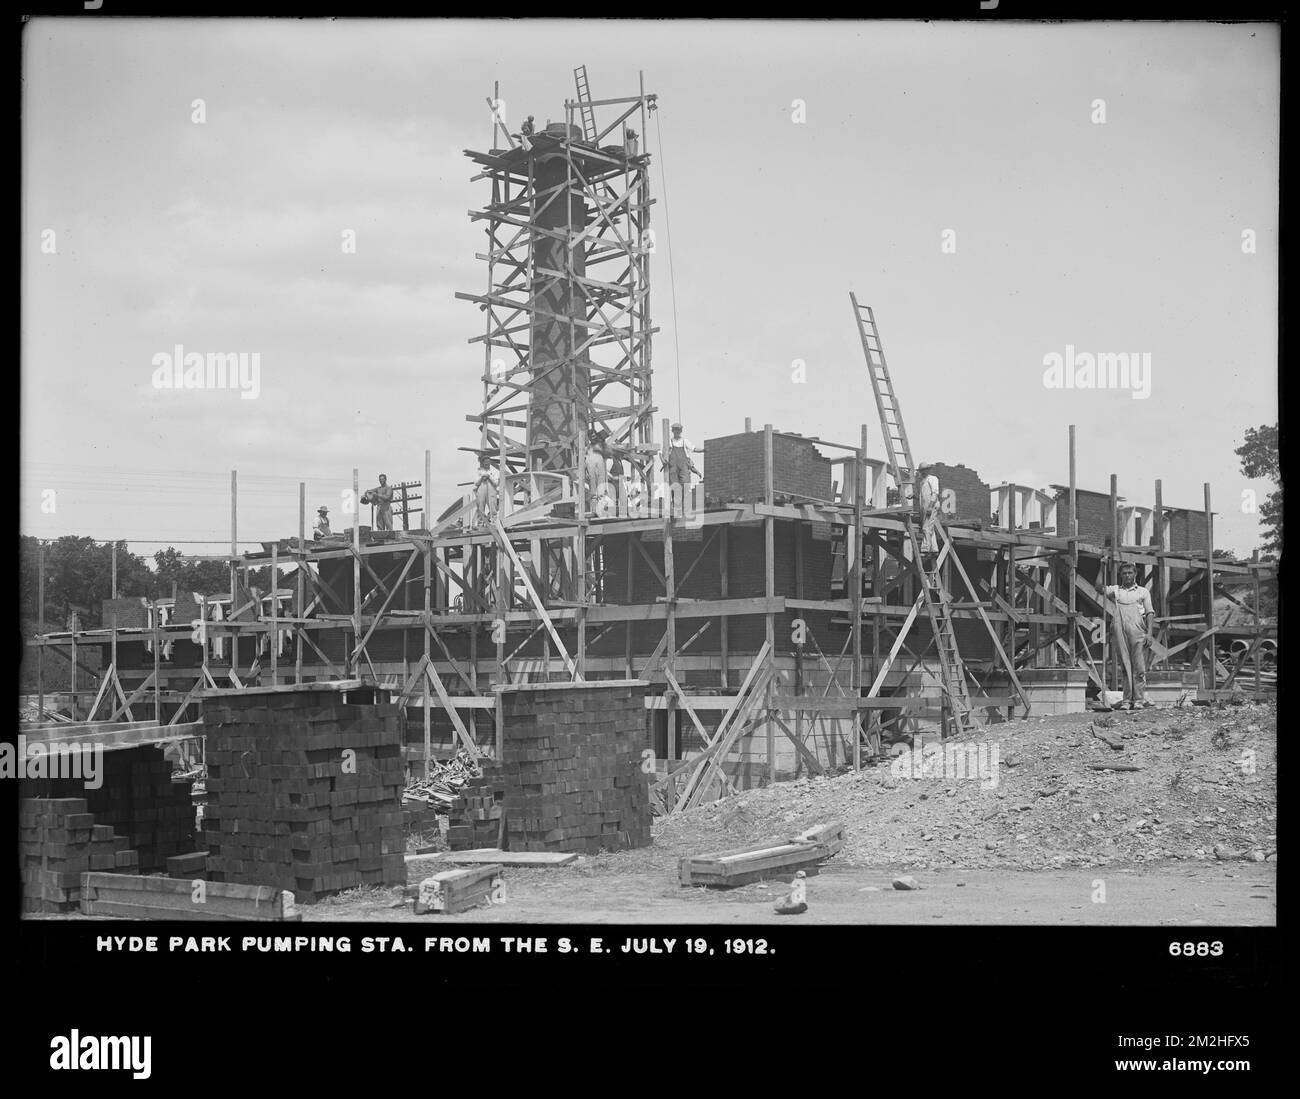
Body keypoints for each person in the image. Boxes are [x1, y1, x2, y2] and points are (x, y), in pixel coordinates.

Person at [1103, 561, 1155, 710]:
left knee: (1138, 667)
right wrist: (1102, 567)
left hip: (1138, 631)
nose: (1127, 576)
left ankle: (1139, 699)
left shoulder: (1143, 592)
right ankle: (1127, 700)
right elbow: (1098, 587)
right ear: (1120, 575)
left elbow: (1150, 612)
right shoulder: (1116, 591)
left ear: (1135, 574)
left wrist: (1149, 633)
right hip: (1120, 631)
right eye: (1124, 573)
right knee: (1125, 666)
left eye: (1130, 573)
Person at [663, 422, 701, 515]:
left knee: (685, 485)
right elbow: (662, 452)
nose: (677, 431)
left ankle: (683, 507)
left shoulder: (685, 442)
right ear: (672, 431)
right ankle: (676, 507)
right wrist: (663, 460)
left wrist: (704, 450)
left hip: (683, 468)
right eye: (675, 429)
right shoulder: (669, 442)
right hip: (673, 469)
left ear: (681, 431)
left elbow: (694, 449)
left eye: (678, 430)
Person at [915, 462, 942, 572]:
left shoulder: (932, 479)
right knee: (930, 528)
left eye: (923, 471)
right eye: (921, 471)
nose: (921, 473)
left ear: (927, 470)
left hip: (932, 505)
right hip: (925, 507)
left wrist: (930, 506)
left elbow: (935, 493)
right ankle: (934, 549)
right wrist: (914, 496)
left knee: (926, 528)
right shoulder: (922, 482)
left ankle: (925, 549)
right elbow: (922, 496)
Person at [584, 436, 611, 517]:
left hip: (599, 471)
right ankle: (595, 510)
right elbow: (585, 461)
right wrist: (586, 472)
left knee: (601, 492)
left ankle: (600, 510)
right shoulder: (588, 449)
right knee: (594, 492)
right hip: (593, 471)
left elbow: (608, 454)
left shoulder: (599, 449)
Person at [474, 454, 500, 527]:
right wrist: (482, 477)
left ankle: (494, 522)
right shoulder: (479, 471)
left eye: (488, 462)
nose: (486, 463)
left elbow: (496, 483)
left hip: (491, 489)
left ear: (490, 462)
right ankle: (480, 523)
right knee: (480, 506)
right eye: (485, 462)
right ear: (483, 462)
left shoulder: (494, 471)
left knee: (492, 505)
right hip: (481, 489)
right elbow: (476, 483)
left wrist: (489, 477)